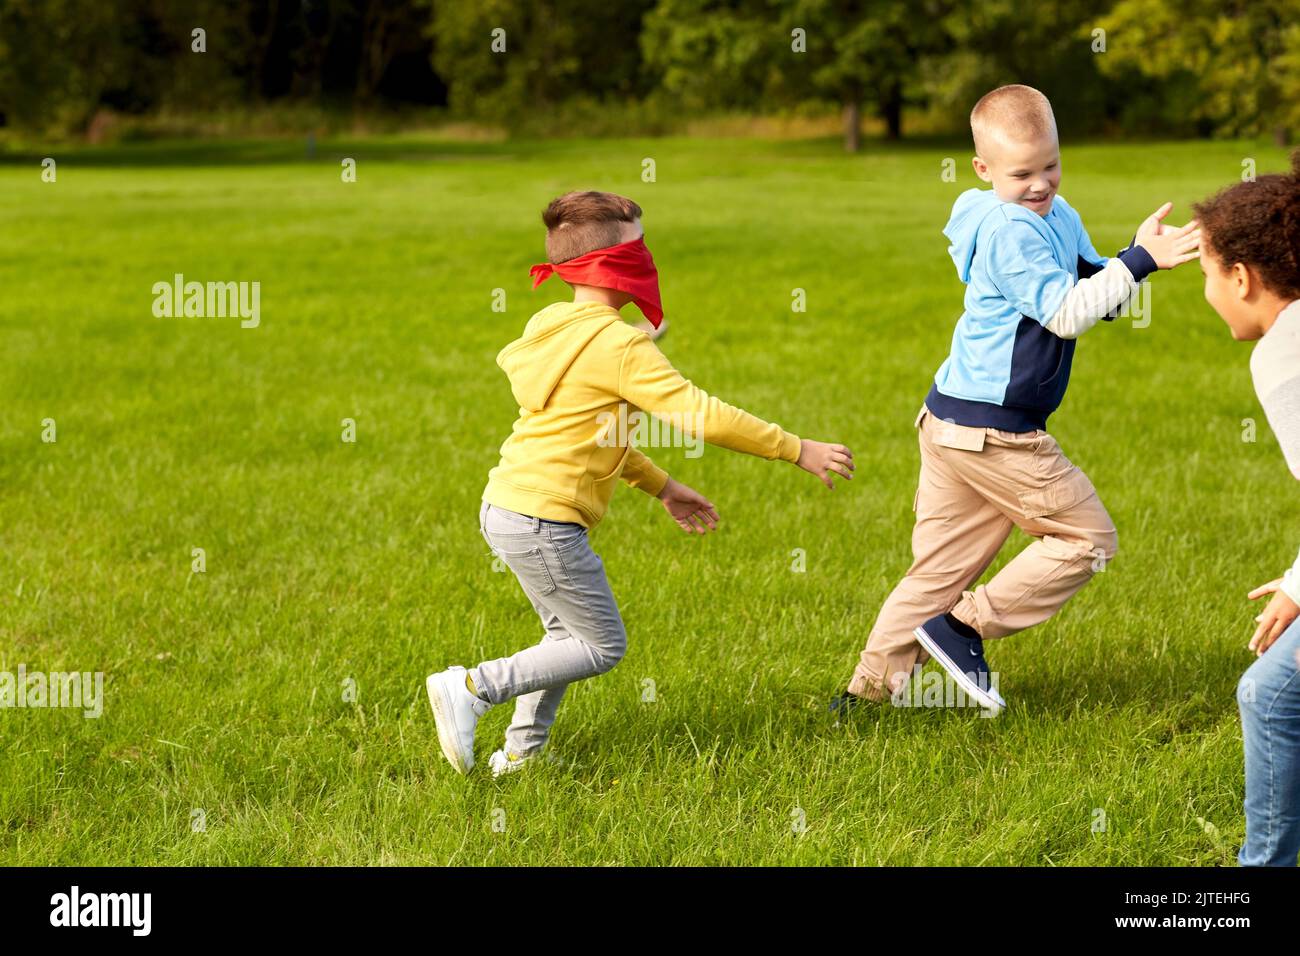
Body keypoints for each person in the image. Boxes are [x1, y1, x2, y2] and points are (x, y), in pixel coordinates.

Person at [427, 190, 854, 775]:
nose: (648, 258)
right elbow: (702, 415)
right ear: (609, 263)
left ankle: (522, 755)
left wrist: (663, 486)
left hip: (508, 506)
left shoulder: (552, 323)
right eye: (638, 247)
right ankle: (472, 687)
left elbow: (596, 431)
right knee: (599, 646)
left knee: (562, 640)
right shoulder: (621, 344)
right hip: (545, 522)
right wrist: (795, 448)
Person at [838, 84, 1199, 714]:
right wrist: (1139, 262)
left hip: (952, 420)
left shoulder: (1057, 214)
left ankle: (866, 698)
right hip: (994, 432)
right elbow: (1065, 314)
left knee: (937, 572)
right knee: (1086, 540)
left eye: (1050, 166)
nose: (1040, 184)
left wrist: (1132, 261)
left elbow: (1092, 292)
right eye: (1021, 173)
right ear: (983, 170)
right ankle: (961, 627)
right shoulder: (1006, 230)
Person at [1193, 151, 1300, 865]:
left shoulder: (1285, 356)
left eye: (1207, 275)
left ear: (1242, 276)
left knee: (1271, 695)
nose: (1207, 292)